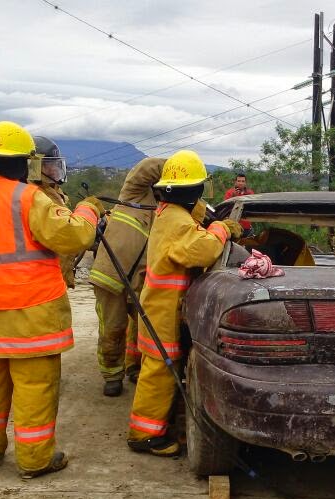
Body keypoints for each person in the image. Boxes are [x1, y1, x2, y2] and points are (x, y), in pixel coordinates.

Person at [0, 120, 105, 479]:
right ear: (25, 162)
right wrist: (88, 211)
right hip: (33, 316)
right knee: (34, 388)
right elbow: (73, 237)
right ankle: (35, 459)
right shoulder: (29, 198)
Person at [127, 150, 242, 457]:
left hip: (159, 306)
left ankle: (150, 429)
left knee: (159, 367)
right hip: (162, 310)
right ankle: (144, 435)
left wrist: (204, 215)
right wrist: (221, 228)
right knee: (160, 369)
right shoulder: (178, 222)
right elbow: (201, 251)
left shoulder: (167, 212)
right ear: (194, 190)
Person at [89, 157, 165, 397]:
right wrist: (179, 167)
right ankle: (112, 375)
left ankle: (135, 368)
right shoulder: (134, 193)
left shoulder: (169, 208)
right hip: (110, 276)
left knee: (143, 330)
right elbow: (146, 168)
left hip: (139, 282)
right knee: (112, 329)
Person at [29, 135, 78, 287]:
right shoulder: (36, 197)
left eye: (56, 164)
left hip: (54, 282)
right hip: (41, 285)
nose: (54, 169)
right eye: (48, 165)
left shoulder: (54, 194)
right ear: (34, 167)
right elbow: (69, 233)